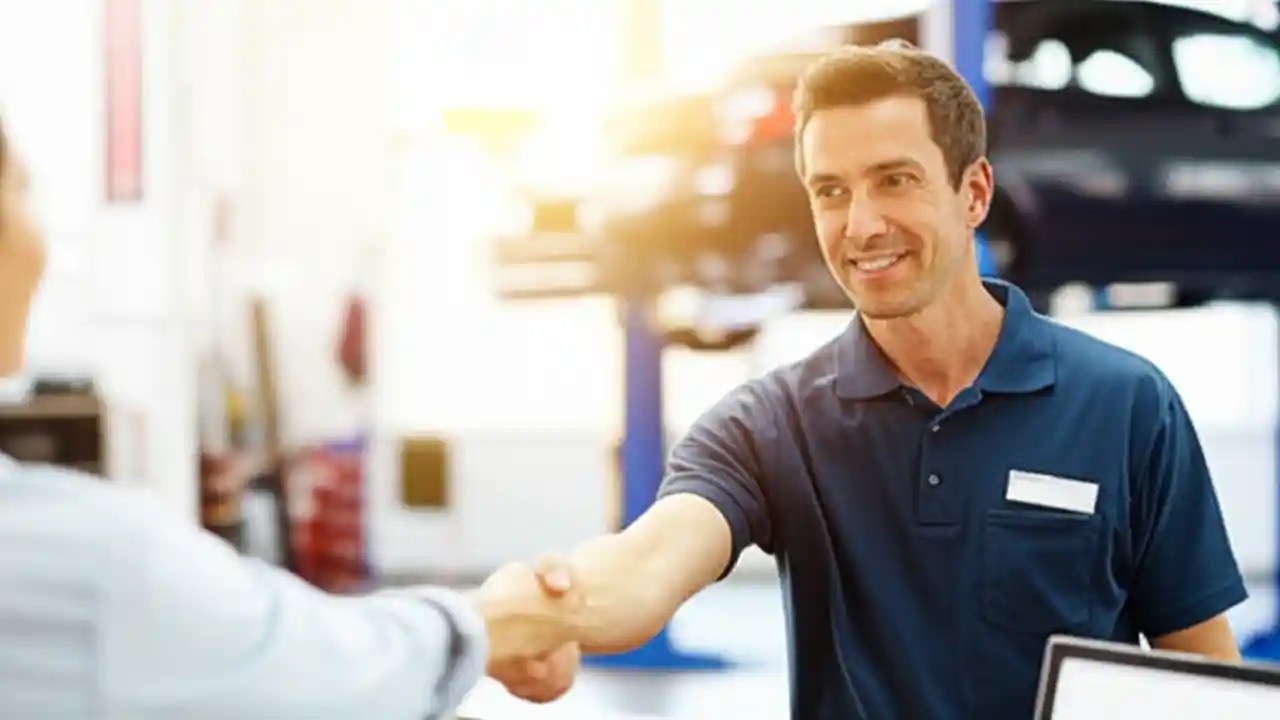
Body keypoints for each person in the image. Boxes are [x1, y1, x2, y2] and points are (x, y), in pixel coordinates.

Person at [496, 41, 1250, 718]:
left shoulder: (1125, 406)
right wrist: (548, 614)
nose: (861, 225)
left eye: (895, 181)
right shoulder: (773, 423)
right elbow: (647, 563)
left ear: (975, 194)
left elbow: (1204, 675)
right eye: (832, 191)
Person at [0, 120, 580, 718]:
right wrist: (493, 621)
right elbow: (317, 676)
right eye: (21, 193)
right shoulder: (97, 564)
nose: (37, 242)